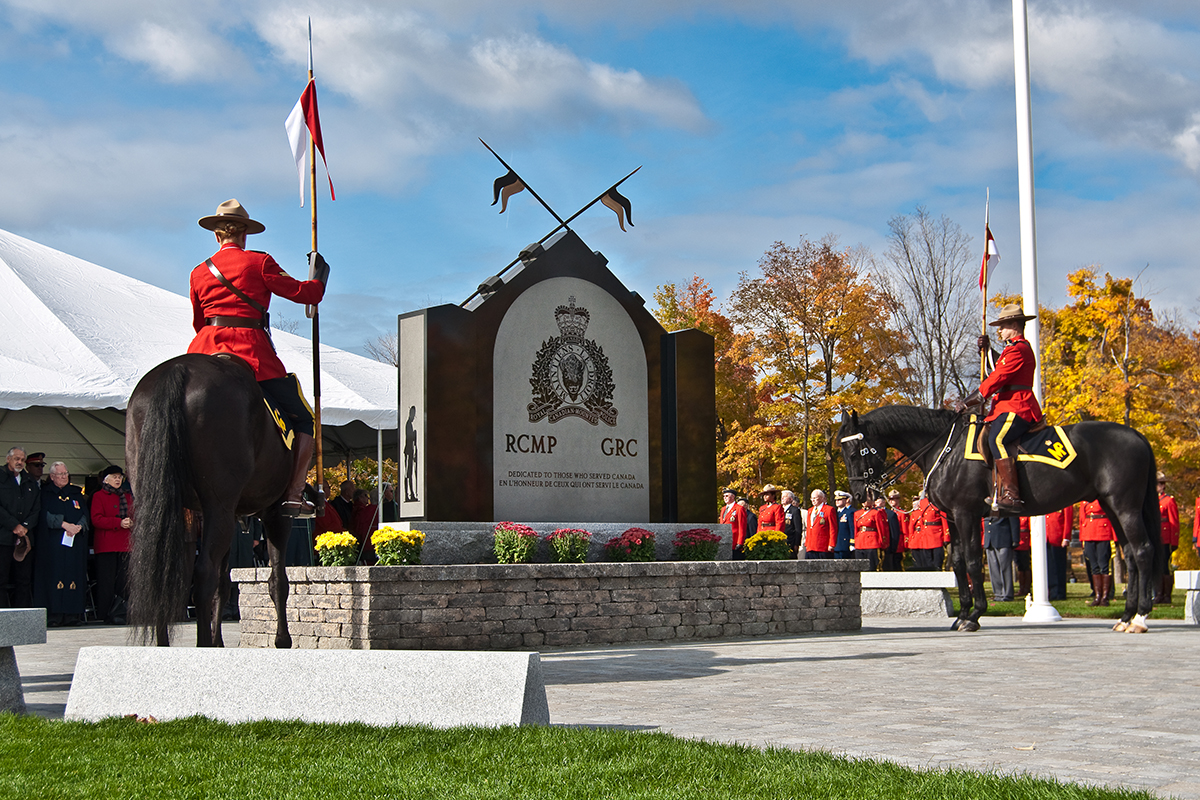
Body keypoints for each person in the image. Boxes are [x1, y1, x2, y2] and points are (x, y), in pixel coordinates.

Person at [187, 199, 329, 517]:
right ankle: (293, 494)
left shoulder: (199, 272)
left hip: (204, 349)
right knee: (303, 418)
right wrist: (319, 274)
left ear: (216, 235)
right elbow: (306, 294)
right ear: (245, 235)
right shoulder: (259, 262)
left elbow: (198, 321)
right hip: (252, 353)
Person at [975, 303, 1043, 514]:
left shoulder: (1019, 348)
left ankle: (1012, 495)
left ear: (1014, 325)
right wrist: (986, 351)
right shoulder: (1011, 349)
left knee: (997, 438)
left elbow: (998, 377)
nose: (1000, 330)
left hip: (1018, 405)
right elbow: (998, 367)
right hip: (1005, 405)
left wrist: (975, 398)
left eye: (1003, 326)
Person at [34, 462, 89, 626]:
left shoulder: (76, 493)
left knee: (74, 575)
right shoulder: (45, 494)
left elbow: (85, 514)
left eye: (66, 473)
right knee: (54, 575)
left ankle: (72, 615)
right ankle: (55, 615)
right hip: (53, 544)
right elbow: (44, 515)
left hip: (74, 544)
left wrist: (78, 526)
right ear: (52, 477)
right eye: (60, 474)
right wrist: (63, 524)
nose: (64, 476)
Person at [90, 465, 133, 624]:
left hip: (125, 544)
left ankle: (122, 612)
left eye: (119, 477)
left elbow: (135, 514)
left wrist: (131, 522)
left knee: (124, 581)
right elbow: (96, 519)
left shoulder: (127, 496)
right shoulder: (99, 496)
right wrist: (118, 522)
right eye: (114, 477)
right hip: (106, 545)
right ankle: (105, 613)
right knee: (106, 581)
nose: (117, 479)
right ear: (106, 479)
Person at [0, 447, 39, 607]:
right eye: (16, 459)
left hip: (25, 539)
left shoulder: (30, 481)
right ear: (8, 459)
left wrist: (25, 526)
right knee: (1, 578)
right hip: (3, 537)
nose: (20, 462)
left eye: (22, 460)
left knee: (24, 580)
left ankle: (22, 615)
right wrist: (14, 525)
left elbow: (37, 508)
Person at [1080, 499, 1115, 607]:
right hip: (1088, 533)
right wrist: (1082, 537)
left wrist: (1114, 537)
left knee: (1103, 565)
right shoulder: (1084, 501)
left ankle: (1105, 597)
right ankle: (1097, 596)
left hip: (1103, 532)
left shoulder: (1102, 499)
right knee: (1094, 566)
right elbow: (1082, 519)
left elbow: (1112, 516)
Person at [908, 495, 948, 571]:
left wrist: (946, 536)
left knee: (938, 563)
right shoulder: (923, 503)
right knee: (927, 564)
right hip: (926, 537)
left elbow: (944, 520)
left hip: (937, 536)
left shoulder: (938, 502)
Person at [982, 516, 1017, 601]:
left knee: (1005, 568)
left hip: (1003, 540)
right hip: (989, 541)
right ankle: (998, 593)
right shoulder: (986, 509)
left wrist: (1015, 540)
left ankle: (1007, 594)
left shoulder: (1004, 506)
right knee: (993, 569)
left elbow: (1014, 521)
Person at [1045, 504, 1074, 601]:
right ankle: (1051, 591)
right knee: (1049, 567)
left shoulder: (1064, 501)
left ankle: (1060, 593)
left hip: (1058, 538)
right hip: (1046, 537)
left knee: (1059, 568)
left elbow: (1068, 519)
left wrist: (1066, 537)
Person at [1157, 472, 1178, 604]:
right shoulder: (1151, 500)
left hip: (1165, 538)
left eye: (1157, 484)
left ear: (1163, 485)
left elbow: (1174, 522)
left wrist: (1173, 542)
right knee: (1156, 566)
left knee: (1164, 566)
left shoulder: (1169, 500)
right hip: (1155, 537)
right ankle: (1158, 594)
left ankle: (1166, 595)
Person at [852, 499, 888, 571]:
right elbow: (856, 529)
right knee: (860, 566)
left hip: (872, 541)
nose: (864, 502)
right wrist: (855, 541)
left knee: (872, 566)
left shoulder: (875, 513)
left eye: (866, 499)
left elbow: (880, 528)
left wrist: (882, 542)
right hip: (860, 541)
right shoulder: (857, 513)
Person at [804, 490, 836, 560]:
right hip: (810, 546)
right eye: (812, 498)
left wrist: (831, 544)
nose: (813, 500)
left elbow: (833, 528)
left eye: (815, 498)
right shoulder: (810, 510)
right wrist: (807, 543)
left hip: (822, 546)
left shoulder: (829, 510)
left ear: (821, 498)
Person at [719, 488, 748, 560]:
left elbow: (742, 526)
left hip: (734, 541)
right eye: (724, 496)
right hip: (725, 540)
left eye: (726, 496)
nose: (724, 498)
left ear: (733, 497)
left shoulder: (739, 509)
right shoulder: (723, 509)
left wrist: (740, 542)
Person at [882, 490, 907, 571]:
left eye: (895, 499)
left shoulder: (902, 513)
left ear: (898, 500)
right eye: (890, 499)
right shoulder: (888, 512)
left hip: (899, 540)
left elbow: (905, 529)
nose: (892, 501)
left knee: (897, 563)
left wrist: (905, 543)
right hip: (890, 540)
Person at [1014, 516, 1032, 599]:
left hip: (1025, 541)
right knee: (1019, 565)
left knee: (1026, 565)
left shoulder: (1027, 516)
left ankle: (1027, 588)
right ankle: (1021, 588)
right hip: (1017, 541)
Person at [781, 490, 803, 558]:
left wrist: (796, 543)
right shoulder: (780, 510)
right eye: (782, 497)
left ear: (791, 499)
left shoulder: (794, 510)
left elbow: (798, 528)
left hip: (790, 541)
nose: (782, 498)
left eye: (785, 497)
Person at [832, 491, 854, 559]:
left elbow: (852, 528)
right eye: (836, 500)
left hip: (845, 544)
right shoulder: (834, 513)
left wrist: (852, 543)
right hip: (835, 545)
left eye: (840, 499)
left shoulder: (849, 513)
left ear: (845, 500)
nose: (837, 501)